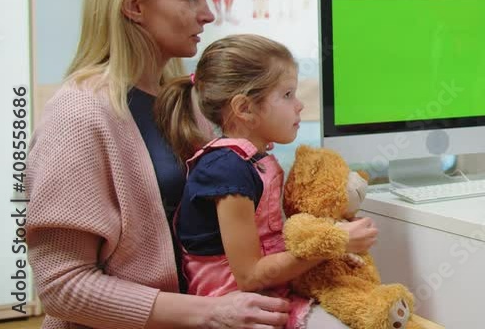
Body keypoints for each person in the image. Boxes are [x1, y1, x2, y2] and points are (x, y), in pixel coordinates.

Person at [24, 0, 367, 329]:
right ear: (134, 5)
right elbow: (64, 287)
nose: (208, 13)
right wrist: (209, 312)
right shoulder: (78, 115)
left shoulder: (190, 101)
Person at [157, 34, 374, 328]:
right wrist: (335, 243)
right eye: (287, 95)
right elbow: (249, 275)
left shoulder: (252, 160)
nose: (298, 105)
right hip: (236, 307)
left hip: (268, 294)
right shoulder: (225, 171)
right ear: (245, 109)